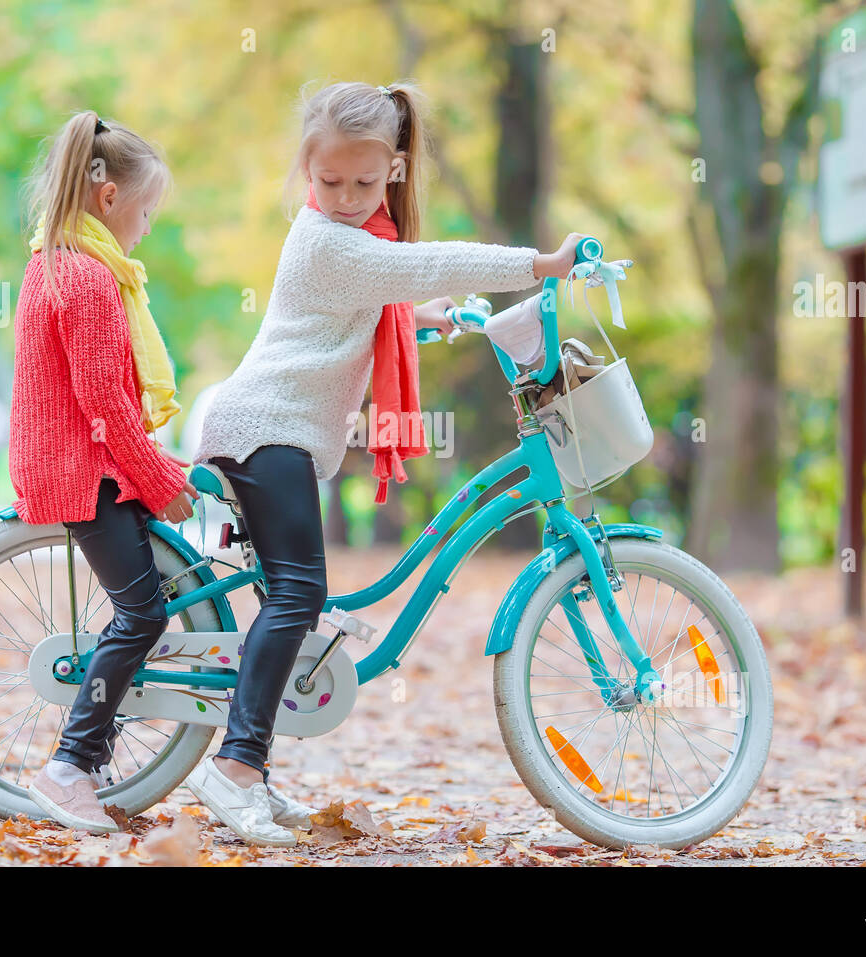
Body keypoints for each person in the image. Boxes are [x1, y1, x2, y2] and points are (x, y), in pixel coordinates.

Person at [190, 79, 584, 846]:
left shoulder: (356, 245)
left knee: (292, 594)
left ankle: (253, 771)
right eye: (328, 180)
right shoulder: (331, 241)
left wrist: (433, 319)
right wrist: (543, 264)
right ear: (308, 170)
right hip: (264, 428)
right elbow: (428, 264)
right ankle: (233, 768)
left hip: (281, 431)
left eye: (364, 182)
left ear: (395, 171)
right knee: (301, 593)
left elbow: (386, 292)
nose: (343, 195)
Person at [7, 110, 198, 834]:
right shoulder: (85, 279)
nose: (148, 227)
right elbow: (105, 403)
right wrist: (161, 479)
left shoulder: (61, 262)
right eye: (146, 211)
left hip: (83, 460)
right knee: (144, 611)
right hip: (80, 469)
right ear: (109, 199)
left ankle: (94, 741)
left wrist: (157, 471)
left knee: (153, 597)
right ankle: (68, 765)